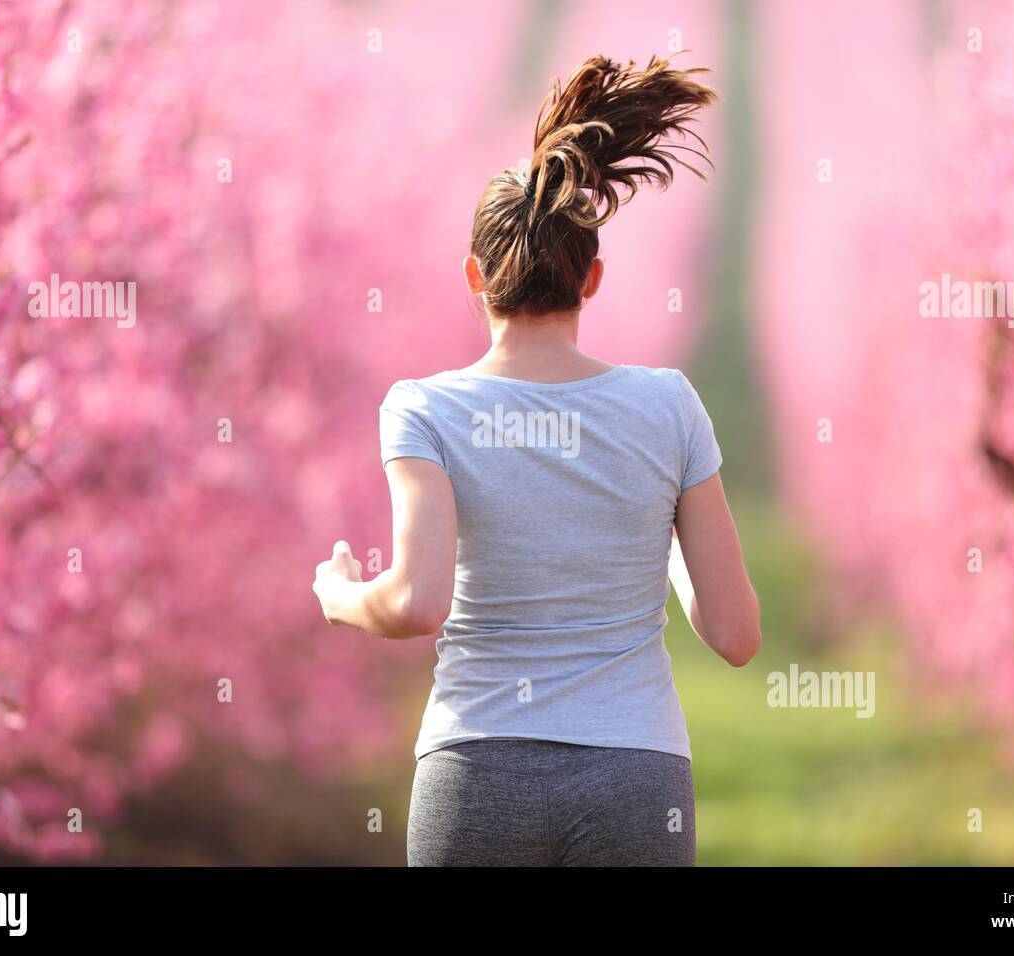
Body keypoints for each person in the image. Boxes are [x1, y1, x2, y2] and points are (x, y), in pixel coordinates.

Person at [312, 54, 761, 867]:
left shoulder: (425, 408)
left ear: (475, 279)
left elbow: (417, 602)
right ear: (591, 278)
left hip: (478, 767)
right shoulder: (668, 406)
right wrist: (646, 521)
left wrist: (339, 596)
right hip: (636, 776)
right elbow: (734, 633)